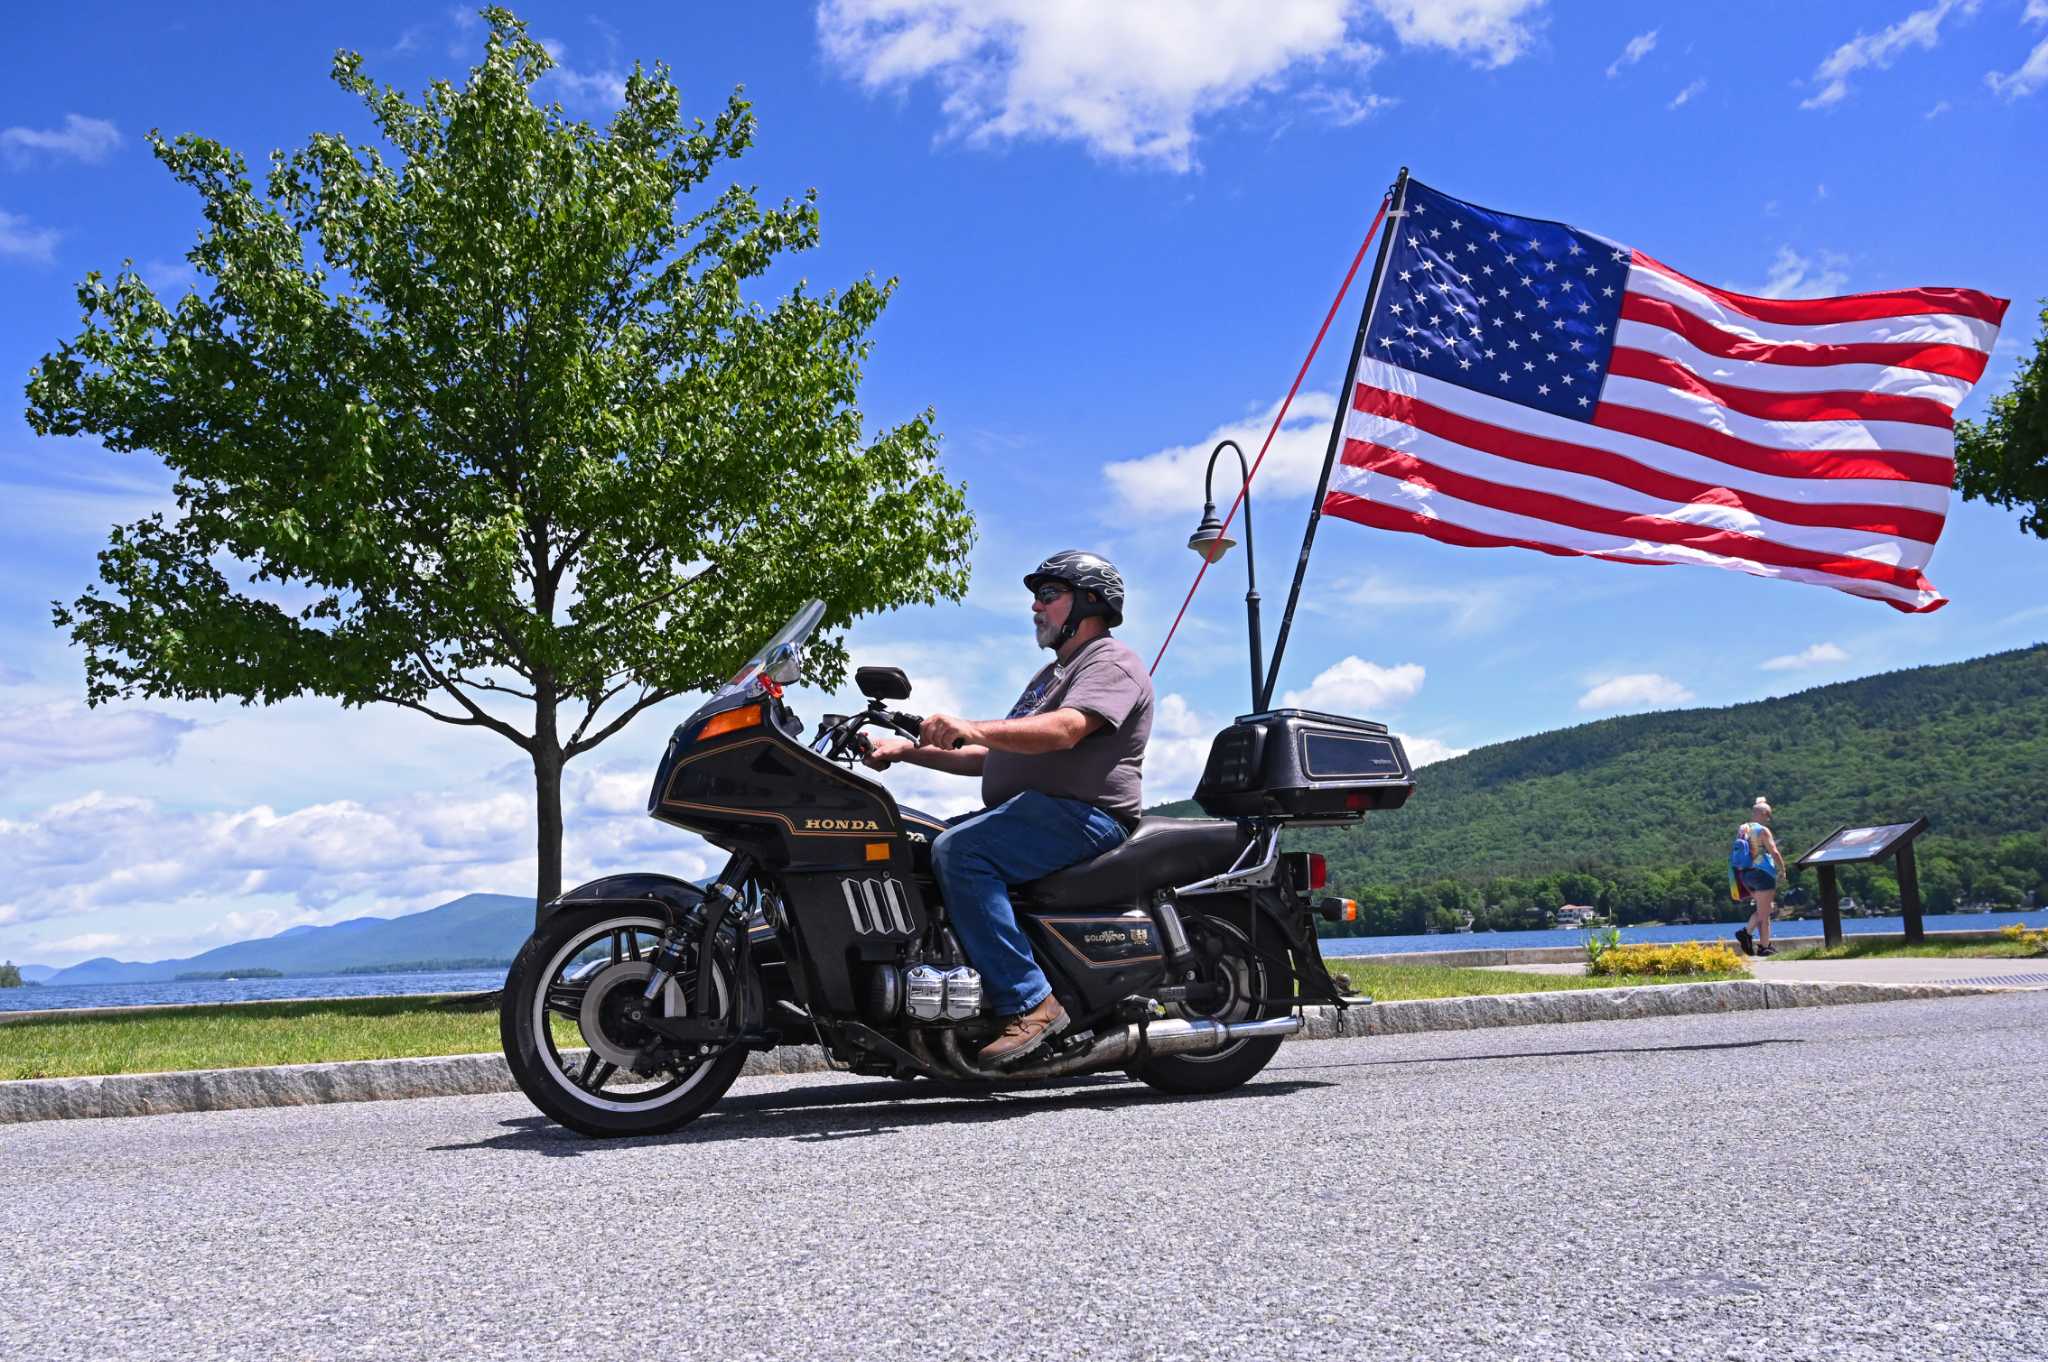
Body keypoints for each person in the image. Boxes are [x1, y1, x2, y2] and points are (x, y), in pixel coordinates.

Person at [862, 550, 1154, 1066]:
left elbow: (1065, 729)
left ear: (1089, 602)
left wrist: (970, 724)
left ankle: (1031, 1002)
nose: (1035, 608)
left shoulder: (1110, 661)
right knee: (917, 844)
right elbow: (987, 754)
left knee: (962, 852)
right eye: (1034, 598)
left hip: (1084, 815)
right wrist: (904, 751)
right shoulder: (1050, 675)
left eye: (1047, 595)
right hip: (1036, 811)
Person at [1732, 797, 1786, 957]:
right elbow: (1774, 852)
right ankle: (1745, 932)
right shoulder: (1763, 831)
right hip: (1763, 873)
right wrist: (1783, 869)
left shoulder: (1742, 828)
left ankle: (1764, 946)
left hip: (1745, 873)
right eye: (1768, 815)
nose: (1768, 819)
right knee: (1766, 909)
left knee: (1763, 910)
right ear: (1762, 814)